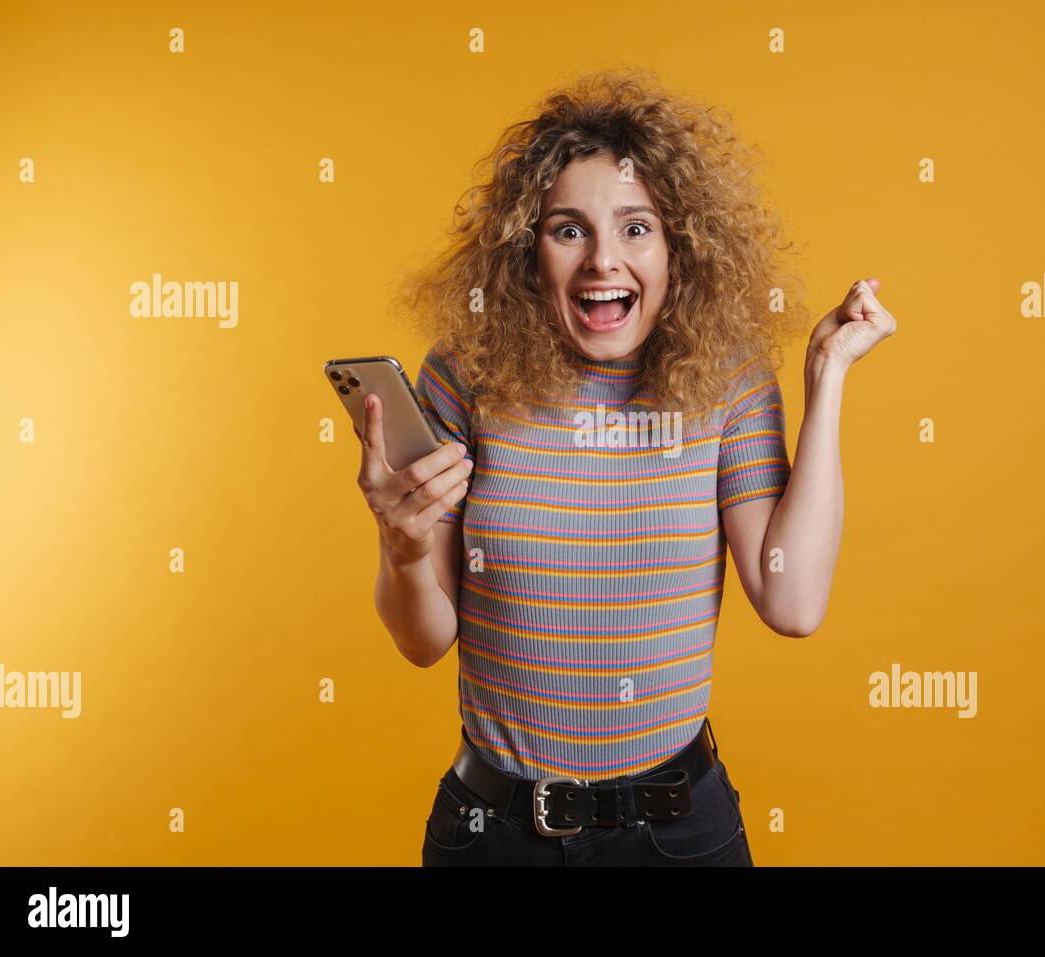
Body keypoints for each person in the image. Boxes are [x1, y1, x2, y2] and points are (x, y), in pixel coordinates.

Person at [353, 69, 896, 866]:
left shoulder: (730, 379)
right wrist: (401, 550)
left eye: (636, 228)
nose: (603, 260)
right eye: (568, 229)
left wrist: (827, 379)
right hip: (496, 833)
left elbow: (793, 599)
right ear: (525, 249)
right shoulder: (463, 373)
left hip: (676, 834)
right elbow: (423, 639)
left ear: (680, 245)